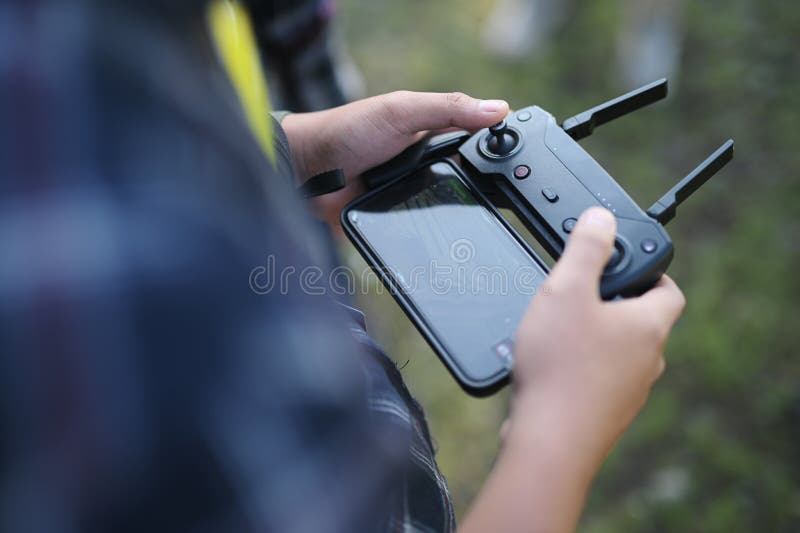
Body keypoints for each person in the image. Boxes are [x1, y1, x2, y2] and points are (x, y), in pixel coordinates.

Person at [0, 1, 685, 532]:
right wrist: (562, 426)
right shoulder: (100, 300)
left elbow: (133, 150)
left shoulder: (69, 45)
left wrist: (300, 148)